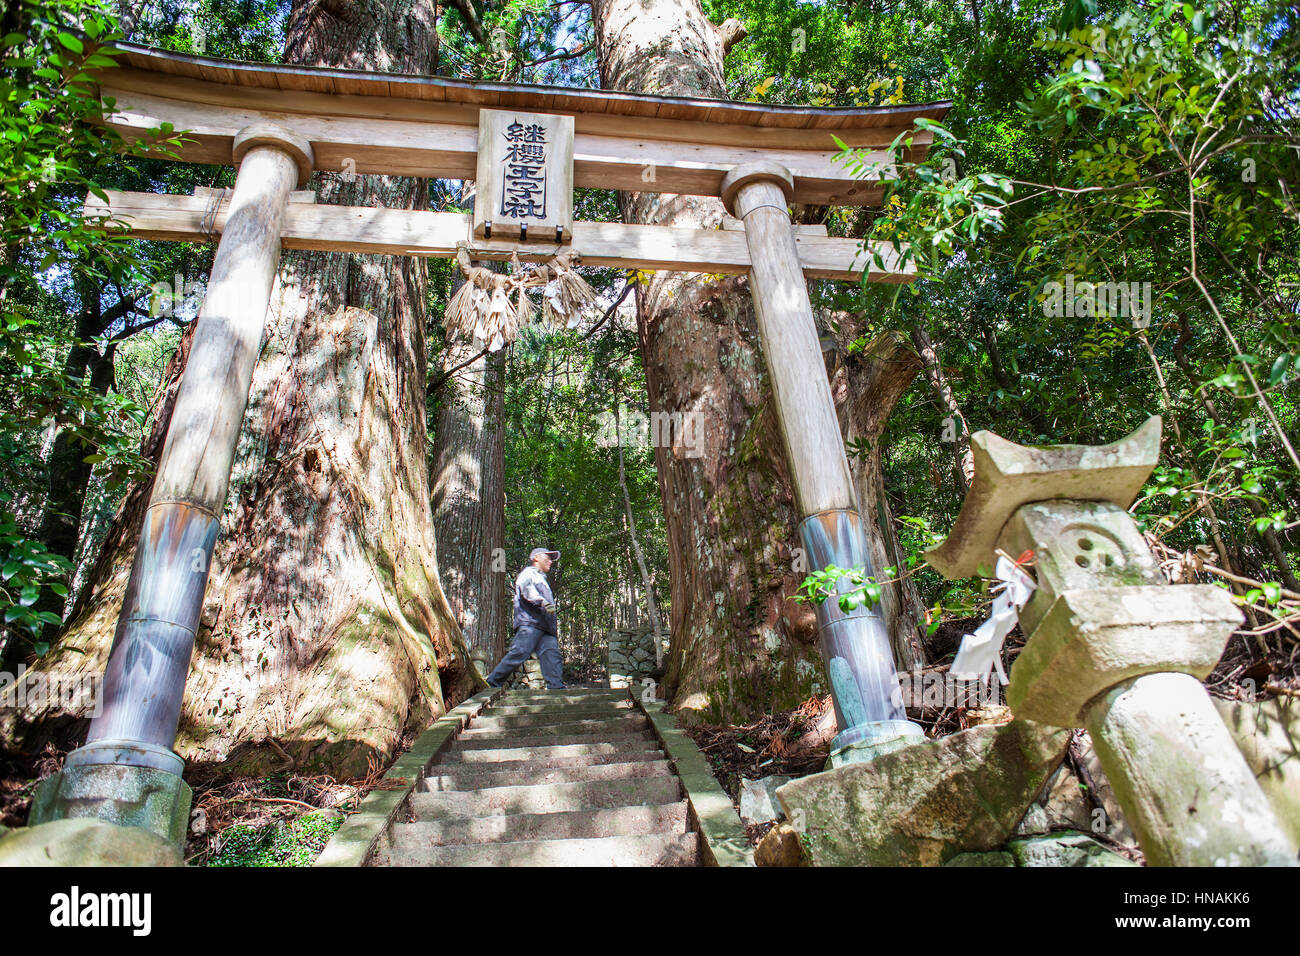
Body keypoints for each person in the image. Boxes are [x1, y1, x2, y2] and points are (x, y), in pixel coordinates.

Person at [485, 547, 565, 690]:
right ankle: (492, 683)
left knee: (552, 656)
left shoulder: (542, 578)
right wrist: (541, 601)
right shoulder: (529, 573)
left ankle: (557, 689)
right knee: (519, 652)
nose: (550, 562)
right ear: (536, 558)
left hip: (546, 628)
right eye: (547, 557)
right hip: (531, 623)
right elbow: (527, 589)